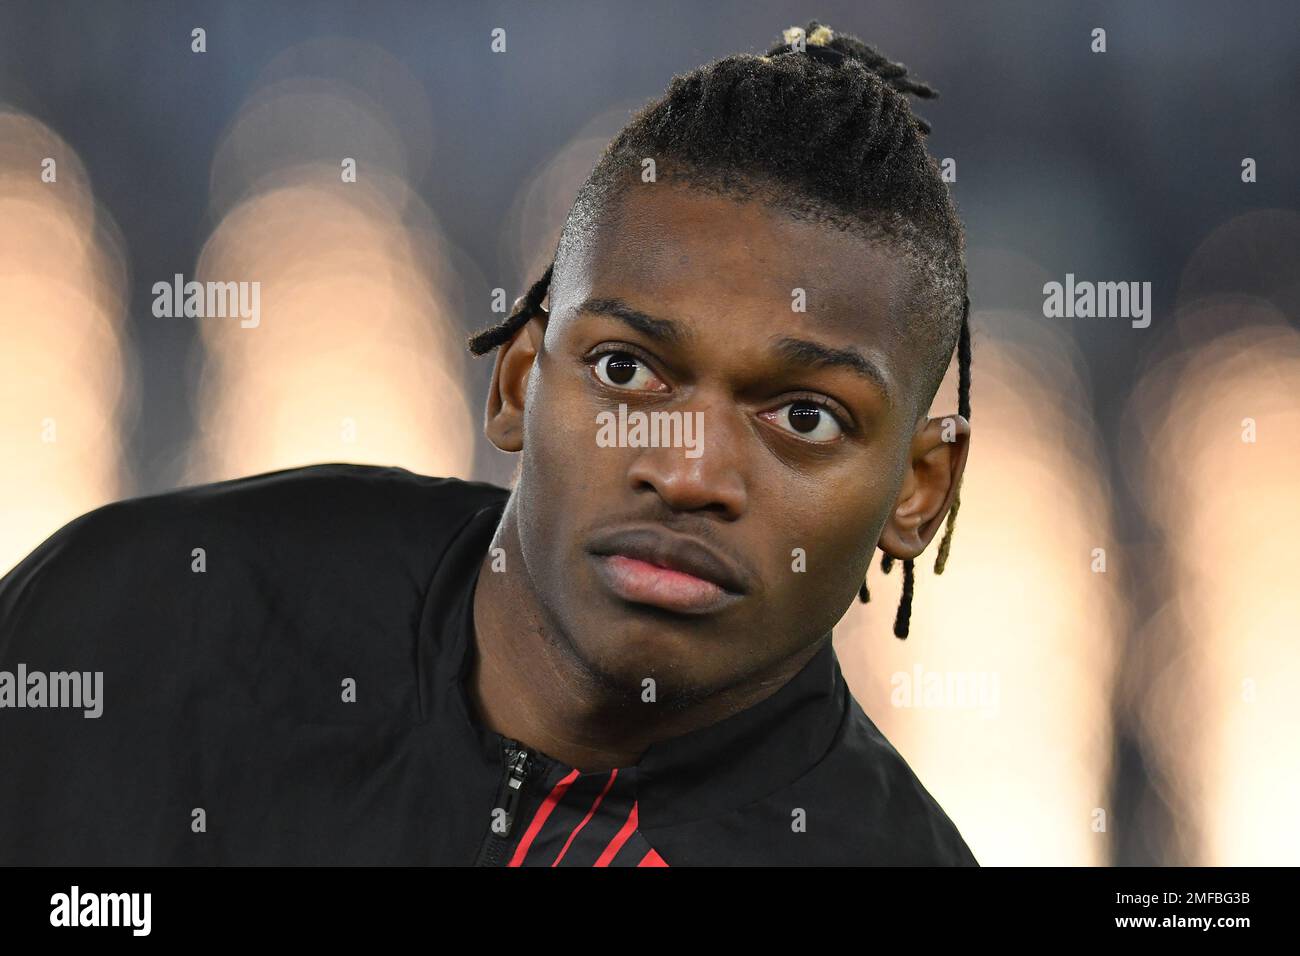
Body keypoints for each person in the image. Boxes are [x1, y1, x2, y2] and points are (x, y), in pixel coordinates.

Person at [0, 20, 976, 866]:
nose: (686, 471)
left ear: (917, 489)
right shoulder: (138, 621)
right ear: (516, 381)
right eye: (627, 372)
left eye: (803, 416)